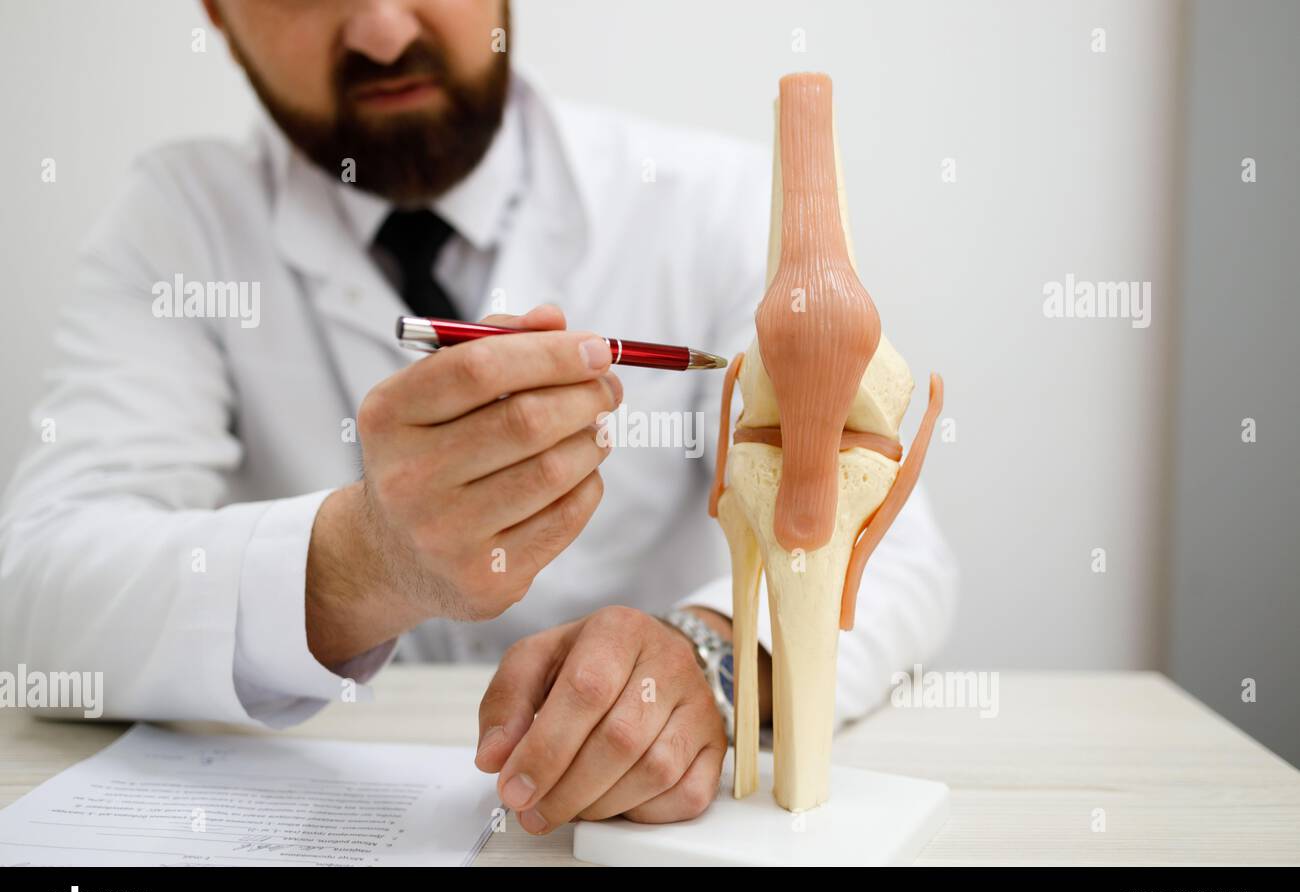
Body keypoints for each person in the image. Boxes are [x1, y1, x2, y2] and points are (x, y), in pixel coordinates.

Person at [0, 0, 957, 833]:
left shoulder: (712, 202)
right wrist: (359, 560)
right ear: (215, 11)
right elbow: (43, 590)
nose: (381, 30)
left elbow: (891, 551)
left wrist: (711, 654)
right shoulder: (180, 222)